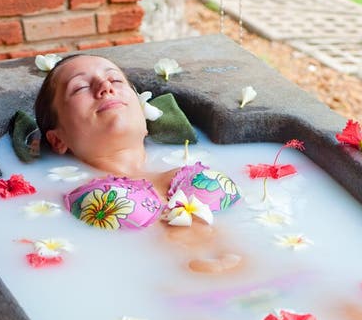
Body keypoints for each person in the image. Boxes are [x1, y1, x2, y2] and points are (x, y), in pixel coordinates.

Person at [34, 54, 241, 233]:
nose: (105, 86)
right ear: (58, 140)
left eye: (115, 80)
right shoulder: (57, 199)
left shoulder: (191, 160)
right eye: (80, 87)